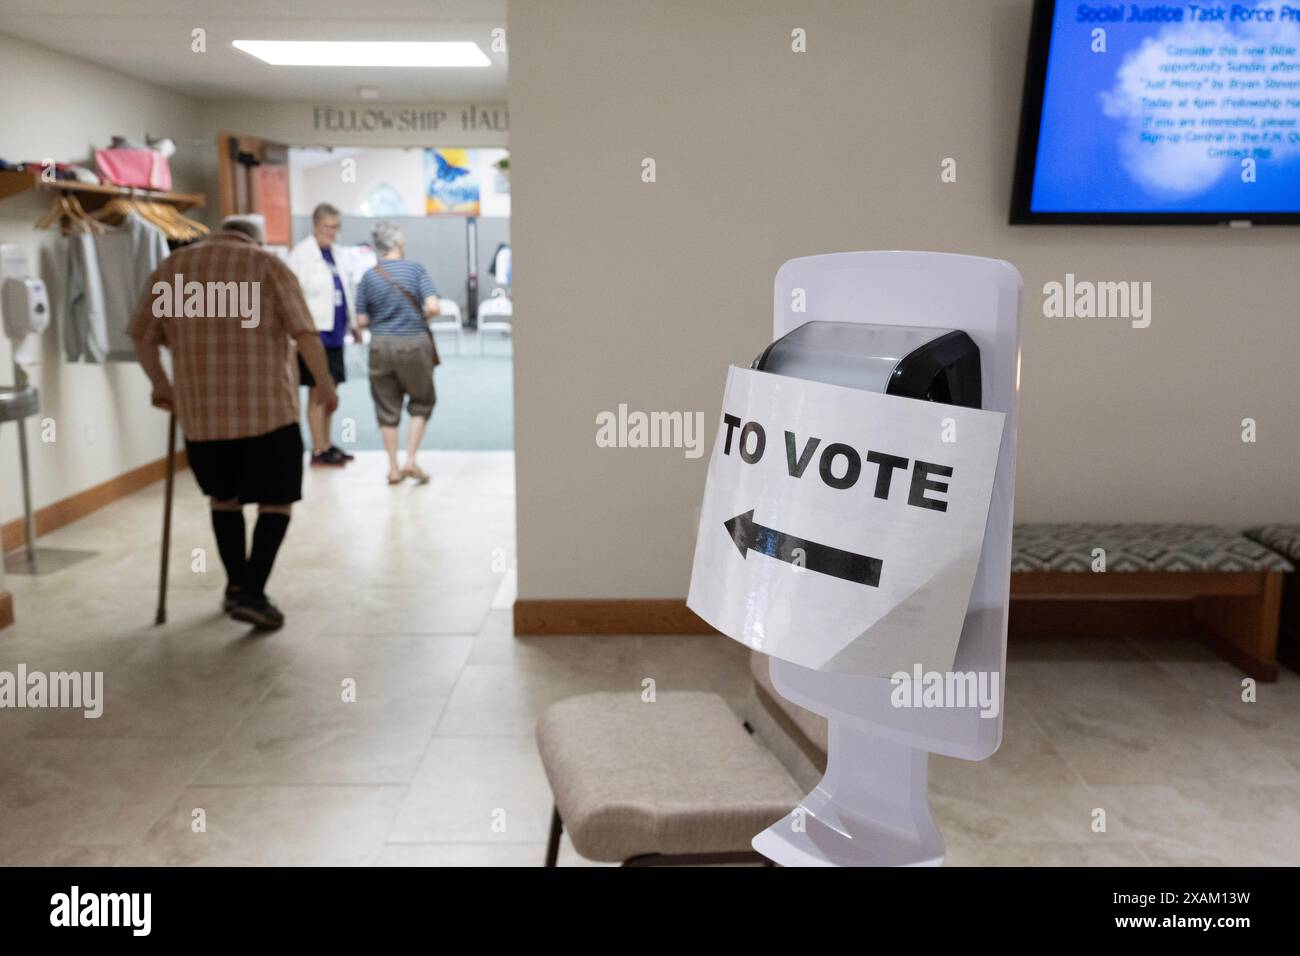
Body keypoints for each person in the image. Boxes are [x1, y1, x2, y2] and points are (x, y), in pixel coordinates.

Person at [128, 215, 338, 630]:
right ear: (255, 238)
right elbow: (304, 332)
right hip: (268, 413)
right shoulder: (267, 266)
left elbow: (141, 335)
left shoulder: (173, 269)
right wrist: (324, 384)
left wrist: (161, 385)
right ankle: (253, 592)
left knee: (224, 499)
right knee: (276, 501)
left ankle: (236, 585)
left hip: (202, 416)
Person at [353, 221, 441, 485]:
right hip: (414, 343)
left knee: (386, 407)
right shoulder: (415, 270)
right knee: (422, 401)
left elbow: (360, 320)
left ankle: (392, 468)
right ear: (399, 243)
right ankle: (411, 460)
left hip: (380, 345)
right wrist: (415, 316)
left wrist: (384, 317)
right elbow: (434, 307)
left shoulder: (369, 276)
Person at [287, 202, 357, 467]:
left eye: (336, 227)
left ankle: (327, 444)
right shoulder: (301, 255)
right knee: (318, 392)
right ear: (315, 226)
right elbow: (294, 297)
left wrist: (354, 325)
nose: (332, 232)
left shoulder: (336, 254)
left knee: (331, 392)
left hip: (336, 334)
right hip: (314, 336)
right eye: (327, 226)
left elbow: (344, 291)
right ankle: (317, 449)